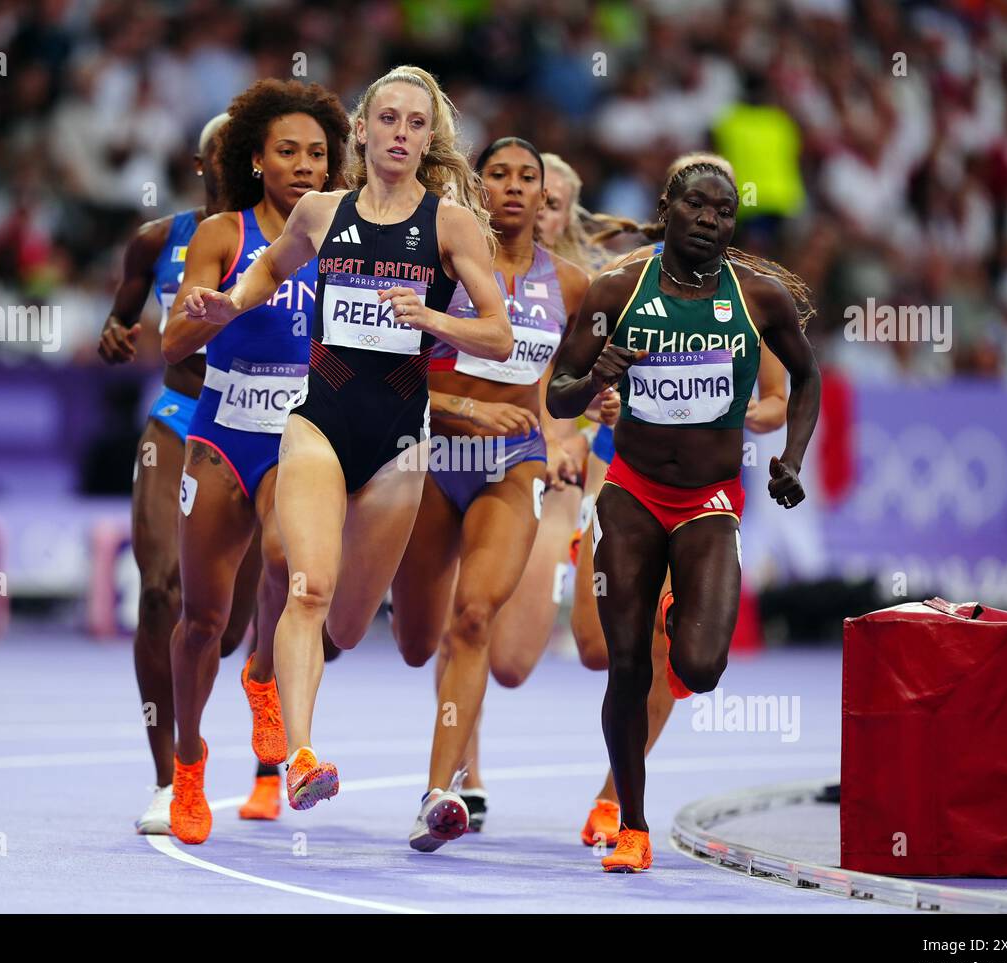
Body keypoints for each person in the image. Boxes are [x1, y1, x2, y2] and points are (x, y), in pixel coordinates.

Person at [171, 66, 512, 816]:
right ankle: (298, 755)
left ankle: (281, 676)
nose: (398, 133)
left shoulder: (451, 227)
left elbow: (498, 332)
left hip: (398, 442)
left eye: (414, 123)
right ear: (361, 129)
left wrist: (433, 320)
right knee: (306, 586)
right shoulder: (323, 212)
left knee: (348, 625)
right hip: (317, 421)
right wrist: (227, 303)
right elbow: (270, 265)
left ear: (430, 139)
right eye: (386, 118)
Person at [547, 158, 821, 872]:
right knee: (626, 666)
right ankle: (631, 825)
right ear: (666, 207)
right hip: (632, 493)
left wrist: (792, 456)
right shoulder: (615, 290)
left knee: (696, 668)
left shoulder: (757, 297)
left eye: (723, 211)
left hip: (708, 503)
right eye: (696, 205)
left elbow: (807, 376)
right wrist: (600, 373)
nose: (709, 219)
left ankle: (678, 607)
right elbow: (560, 396)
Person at [154, 80, 349, 843]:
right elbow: (170, 347)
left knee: (285, 558)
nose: (304, 165)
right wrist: (202, 316)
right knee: (200, 617)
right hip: (221, 436)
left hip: (297, 437)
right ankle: (190, 760)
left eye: (318, 154)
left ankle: (265, 674)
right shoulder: (221, 235)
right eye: (288, 152)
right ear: (257, 159)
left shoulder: (346, 237)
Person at [389, 137, 589, 849]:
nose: (512, 186)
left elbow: (568, 387)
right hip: (433, 454)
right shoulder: (440, 267)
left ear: (545, 196)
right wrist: (470, 410)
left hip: (513, 464)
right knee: (418, 642)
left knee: (474, 618)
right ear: (476, 188)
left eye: (526, 177)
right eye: (497, 174)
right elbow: (396, 374)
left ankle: (440, 790)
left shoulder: (568, 286)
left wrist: (577, 425)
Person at [96, 113, 263, 835]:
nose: (227, 160)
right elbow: (122, 317)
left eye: (239, 150)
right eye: (216, 151)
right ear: (201, 162)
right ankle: (170, 775)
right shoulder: (157, 240)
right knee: (160, 587)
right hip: (176, 417)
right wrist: (114, 334)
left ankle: (256, 695)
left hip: (252, 425)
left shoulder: (285, 240)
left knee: (222, 632)